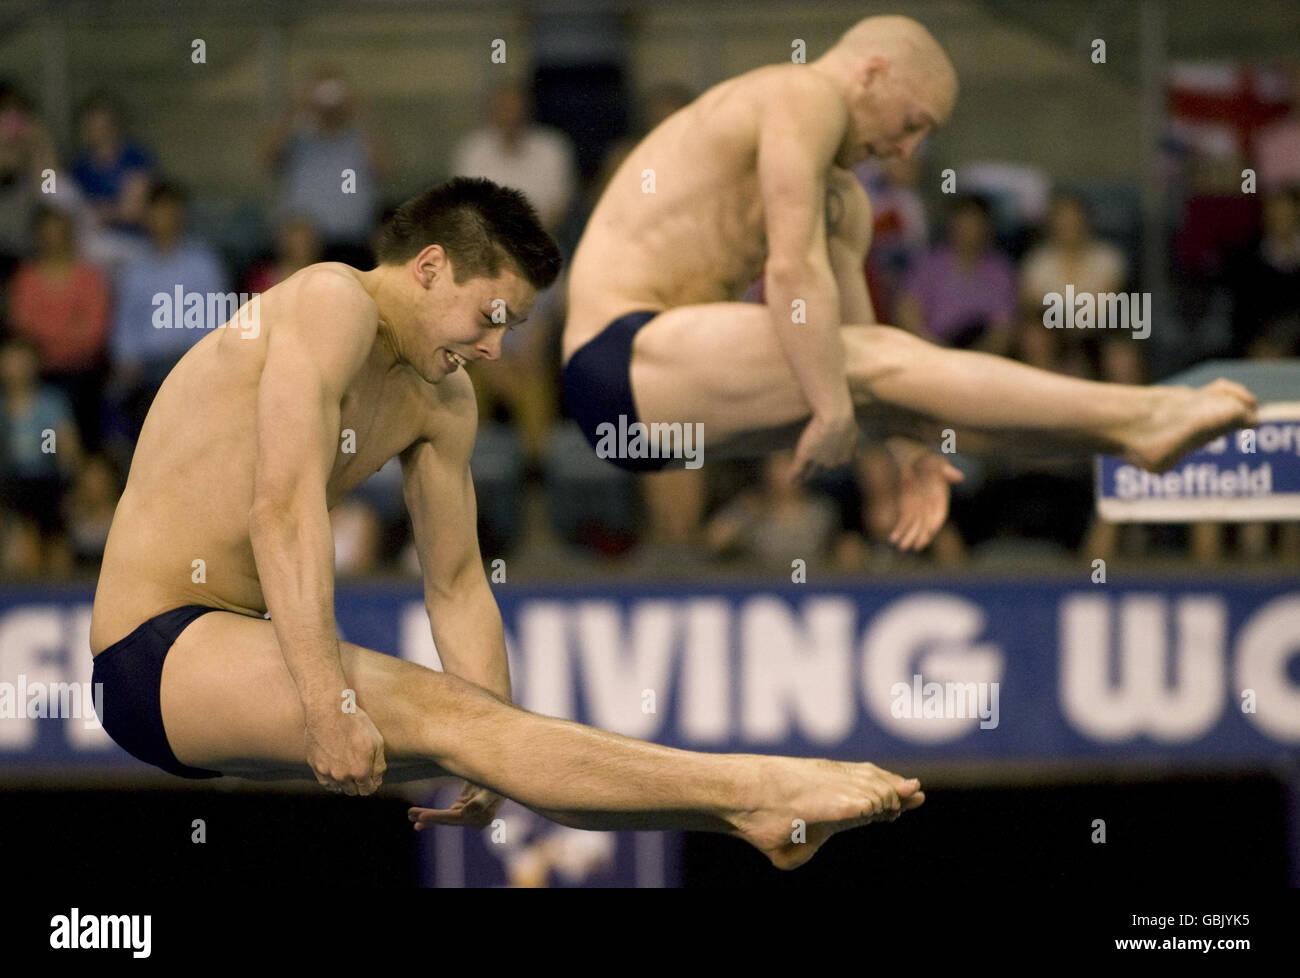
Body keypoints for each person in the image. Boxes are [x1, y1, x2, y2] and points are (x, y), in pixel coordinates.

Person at [88, 177, 924, 872]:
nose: (494, 349)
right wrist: (324, 701)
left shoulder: (442, 397)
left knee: (493, 731)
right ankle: (760, 790)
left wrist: (493, 760)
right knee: (467, 725)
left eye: (512, 328)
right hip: (152, 650)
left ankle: (749, 821)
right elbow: (282, 507)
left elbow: (455, 585)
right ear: (427, 268)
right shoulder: (328, 303)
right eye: (490, 315)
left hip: (235, 647)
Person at [562, 14, 1256, 553]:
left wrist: (910, 450)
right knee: (849, 365)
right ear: (871, 72)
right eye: (911, 123)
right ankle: (1137, 420)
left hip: (657, 406)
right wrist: (834, 407)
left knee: (885, 369)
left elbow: (869, 346)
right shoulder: (801, 94)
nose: (906, 150)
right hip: (615, 355)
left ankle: (1119, 435)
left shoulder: (845, 200)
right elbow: (791, 273)